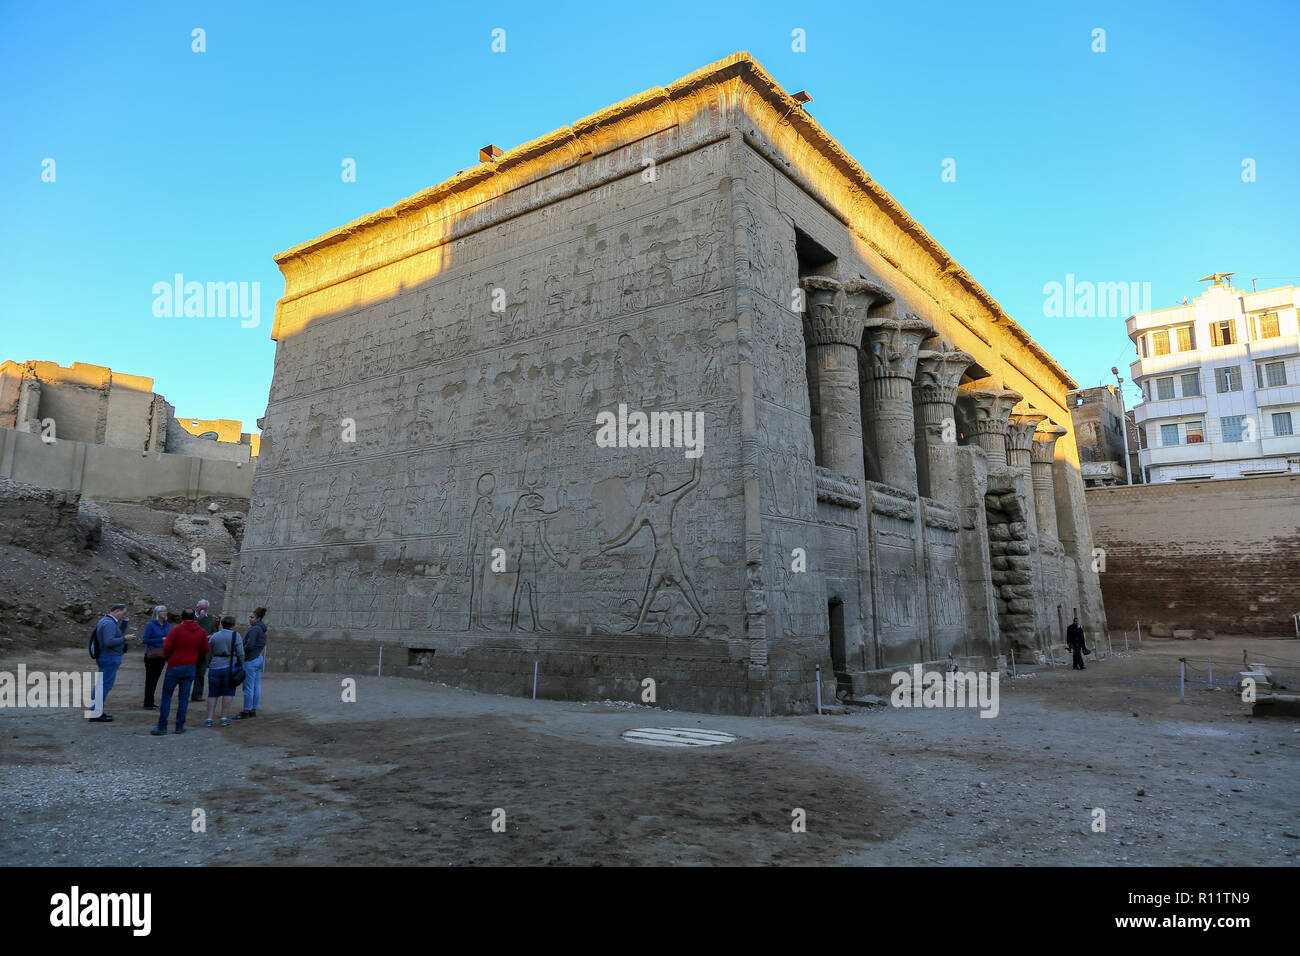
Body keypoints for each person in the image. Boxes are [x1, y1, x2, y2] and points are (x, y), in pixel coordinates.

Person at [151, 609, 210, 735]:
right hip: (190, 666)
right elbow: (205, 649)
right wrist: (194, 657)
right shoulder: (201, 632)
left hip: (175, 665)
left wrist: (169, 658)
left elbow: (167, 646)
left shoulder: (176, 630)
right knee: (184, 698)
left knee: (166, 697)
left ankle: (162, 726)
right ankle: (179, 726)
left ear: (182, 617)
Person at [88, 603, 129, 722]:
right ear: (117, 611)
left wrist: (125, 621)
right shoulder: (109, 623)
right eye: (124, 613)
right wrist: (125, 639)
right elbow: (109, 642)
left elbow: (117, 633)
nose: (124, 615)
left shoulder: (107, 622)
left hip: (107, 657)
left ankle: (95, 711)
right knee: (104, 686)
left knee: (101, 685)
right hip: (109, 657)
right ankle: (96, 713)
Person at [205, 616, 245, 727]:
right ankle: (223, 717)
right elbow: (240, 652)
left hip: (215, 665)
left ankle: (209, 718)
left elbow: (209, 651)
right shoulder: (236, 636)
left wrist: (209, 663)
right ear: (233, 625)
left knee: (212, 693)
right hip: (229, 666)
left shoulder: (214, 636)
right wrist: (241, 663)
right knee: (228, 692)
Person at [236, 607, 268, 720]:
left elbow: (249, 645)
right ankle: (253, 709)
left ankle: (246, 710)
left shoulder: (254, 629)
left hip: (251, 659)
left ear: (258, 618)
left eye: (252, 617)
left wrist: (240, 651)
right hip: (258, 658)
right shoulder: (261, 629)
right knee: (256, 686)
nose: (250, 619)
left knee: (248, 687)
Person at [141, 606, 170, 709]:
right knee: (150, 679)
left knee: (156, 679)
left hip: (162, 655)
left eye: (165, 611)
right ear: (157, 612)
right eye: (162, 611)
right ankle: (147, 703)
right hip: (152, 655)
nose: (164, 613)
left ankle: (151, 702)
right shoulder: (151, 625)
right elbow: (144, 640)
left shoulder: (167, 625)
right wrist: (160, 639)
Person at [192, 599, 218, 702]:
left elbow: (214, 630)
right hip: (192, 649)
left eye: (205, 609)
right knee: (190, 672)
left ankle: (197, 694)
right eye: (201, 608)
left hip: (204, 649)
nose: (203, 611)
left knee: (201, 672)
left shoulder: (210, 618)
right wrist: (201, 619)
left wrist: (210, 636)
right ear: (197, 607)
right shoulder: (192, 618)